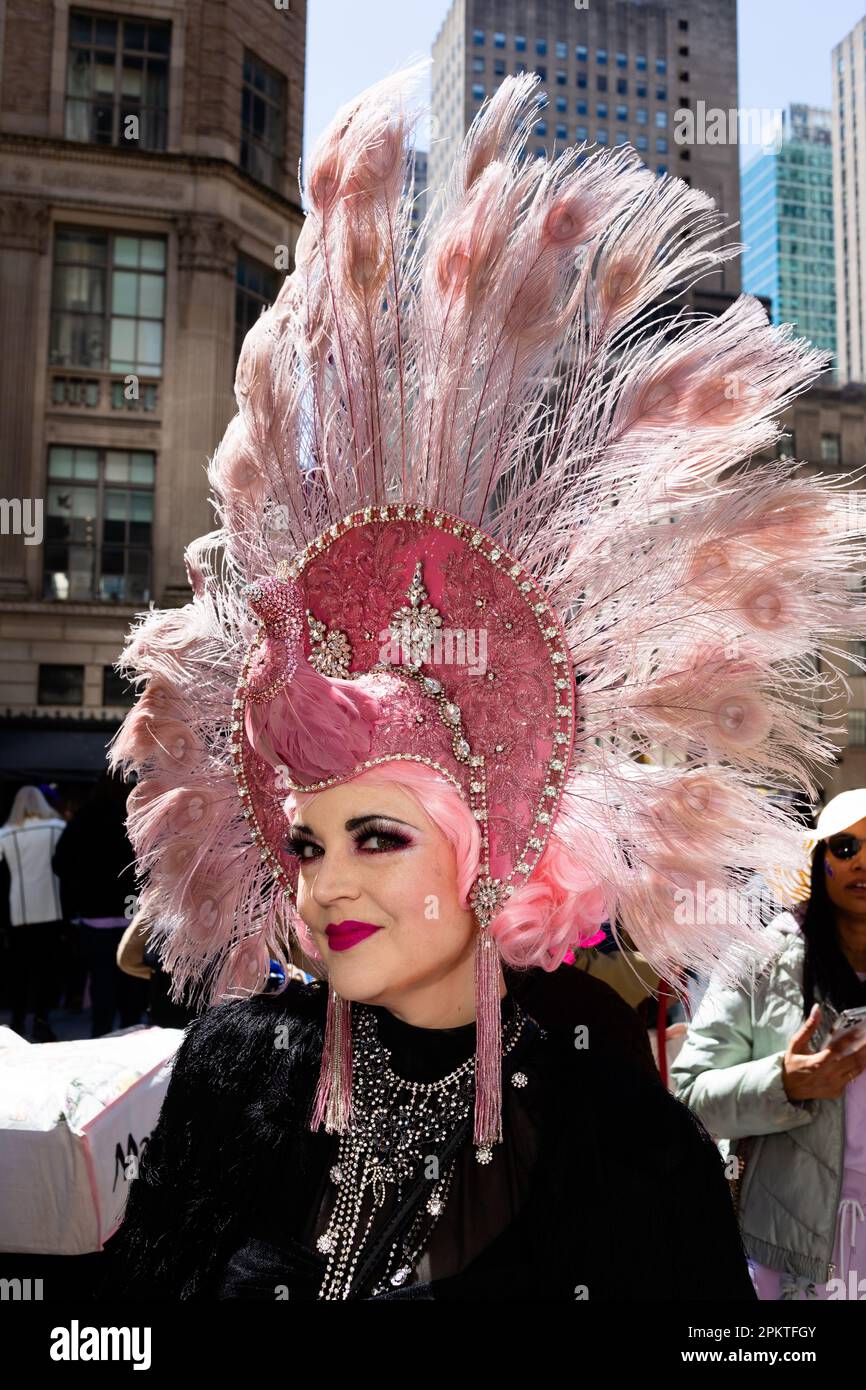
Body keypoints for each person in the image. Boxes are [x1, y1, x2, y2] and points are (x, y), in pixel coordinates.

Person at [97, 66, 865, 1300]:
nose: (329, 879)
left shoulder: (615, 1127)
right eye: (305, 844)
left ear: (485, 850)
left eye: (376, 834)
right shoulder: (233, 1066)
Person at [671, 788, 866, 1300]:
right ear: (820, 860)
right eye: (845, 847)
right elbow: (690, 1100)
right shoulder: (759, 961)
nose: (862, 861)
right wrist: (785, 1083)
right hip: (792, 1253)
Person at [52, 770, 147, 1037]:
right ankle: (132, 1034)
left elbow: (60, 863)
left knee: (101, 983)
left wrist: (81, 891)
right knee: (133, 981)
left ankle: (101, 1035)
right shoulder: (136, 818)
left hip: (95, 915)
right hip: (132, 912)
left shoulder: (83, 818)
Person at [0, 786, 66, 1041]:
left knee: (20, 968)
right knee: (46, 967)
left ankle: (17, 1018)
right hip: (51, 908)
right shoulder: (56, 829)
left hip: (19, 909)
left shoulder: (5, 834)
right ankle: (41, 1017)